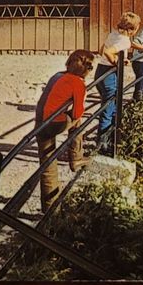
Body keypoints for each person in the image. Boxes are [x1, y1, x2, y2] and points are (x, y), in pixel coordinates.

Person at [33, 49, 96, 211]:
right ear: (87, 70)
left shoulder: (57, 75)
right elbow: (77, 112)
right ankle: (76, 157)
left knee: (47, 161)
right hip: (54, 123)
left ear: (68, 63)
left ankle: (50, 207)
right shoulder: (78, 83)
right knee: (78, 120)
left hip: (40, 123)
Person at [94, 12, 140, 156]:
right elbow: (108, 52)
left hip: (100, 70)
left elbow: (102, 49)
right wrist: (117, 63)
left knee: (110, 105)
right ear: (132, 29)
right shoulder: (125, 40)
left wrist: (117, 59)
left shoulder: (113, 34)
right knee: (109, 107)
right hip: (110, 73)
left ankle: (109, 137)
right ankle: (103, 143)